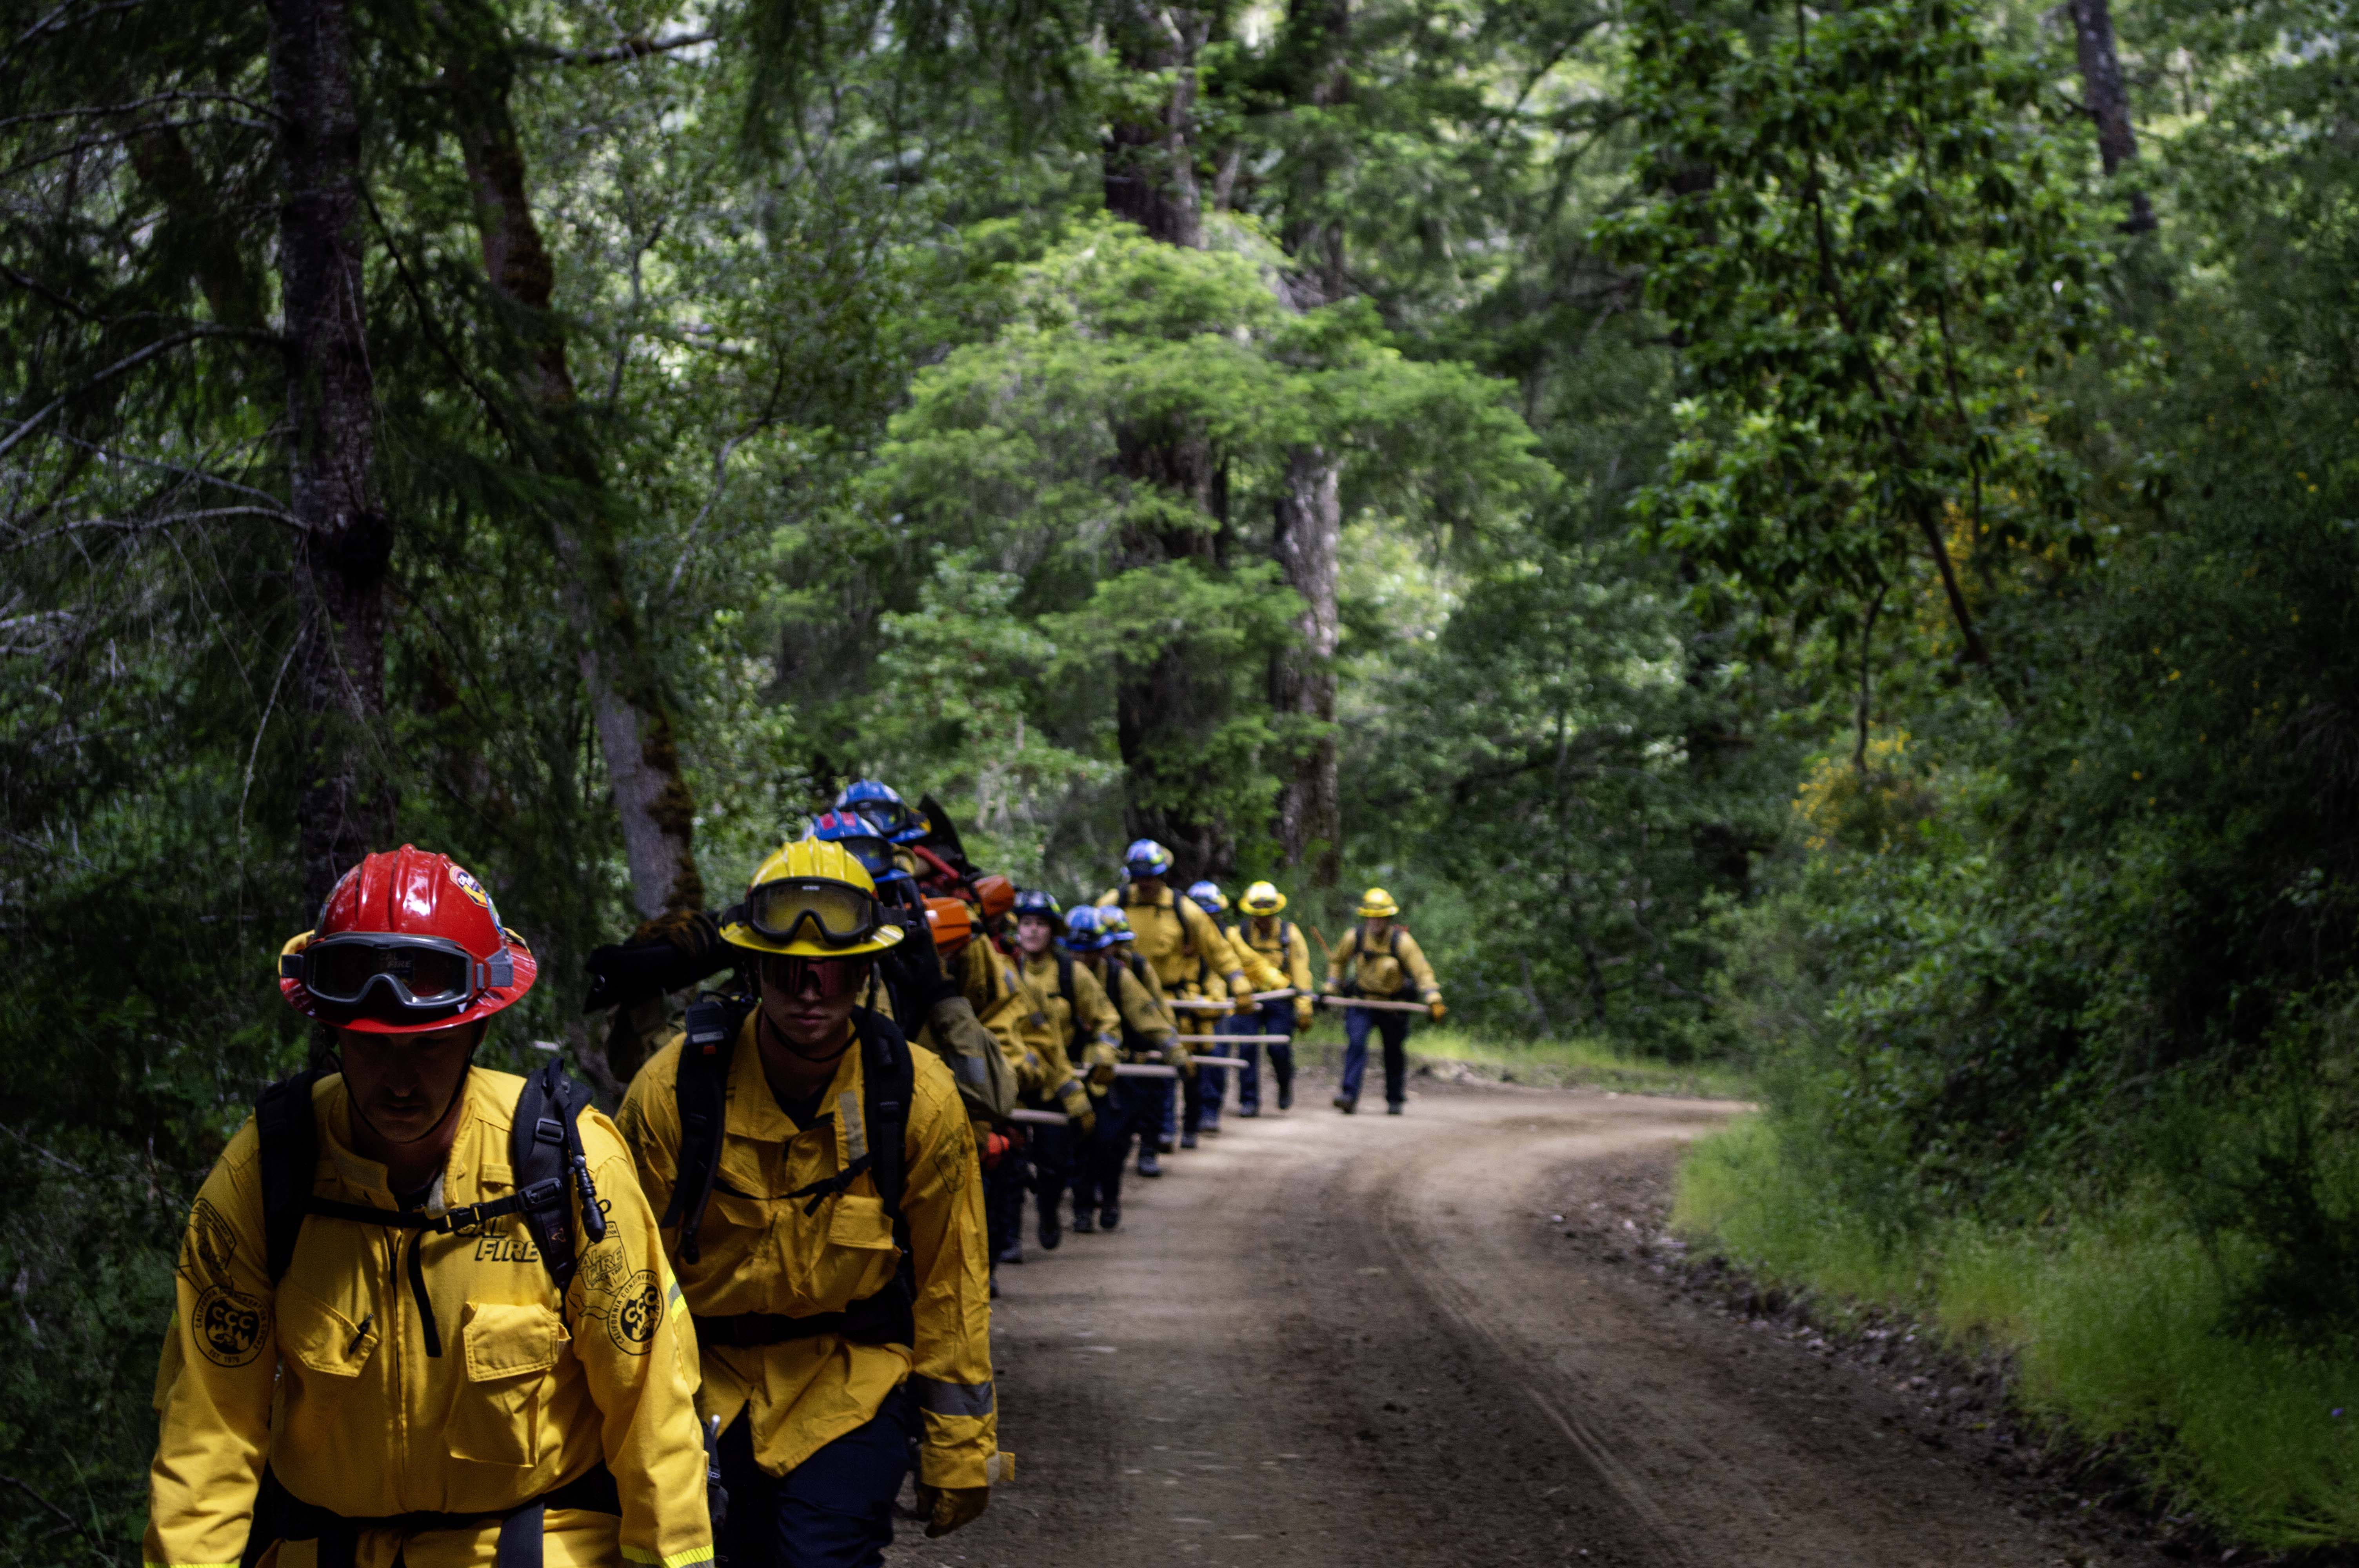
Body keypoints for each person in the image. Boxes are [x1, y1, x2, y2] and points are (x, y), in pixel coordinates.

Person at [145, 846, 712, 1568]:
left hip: (533, 1549)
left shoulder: (565, 1166)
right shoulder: (267, 1172)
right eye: (372, 1048)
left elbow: (652, 1410)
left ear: (477, 1030)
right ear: (333, 1032)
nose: (399, 1079)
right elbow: (209, 1430)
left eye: (429, 1046)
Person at [618, 840, 1001, 1566]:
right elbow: (618, 1285)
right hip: (702, 1390)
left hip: (848, 1385)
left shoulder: (915, 1097)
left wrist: (959, 1449)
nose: (810, 991)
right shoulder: (673, 1092)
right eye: (788, 970)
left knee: (822, 1555)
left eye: (832, 971)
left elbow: (955, 1285)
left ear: (864, 971)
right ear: (755, 967)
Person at [1064, 907, 1181, 1229]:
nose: (1081, 958)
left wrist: (1175, 1052)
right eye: (1075, 951)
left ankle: (1111, 1197)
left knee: (1111, 1142)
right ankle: (1083, 1208)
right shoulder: (1055, 976)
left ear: (1102, 950)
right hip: (1070, 1072)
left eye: (1088, 951)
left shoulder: (1122, 976)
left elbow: (1150, 1017)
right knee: (1077, 1143)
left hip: (1118, 1072)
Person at [1008, 891, 1108, 1248]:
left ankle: (1049, 1212)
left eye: (1040, 924)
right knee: (1008, 1163)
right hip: (1014, 1084)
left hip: (1058, 1083)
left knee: (1053, 1163)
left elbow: (1106, 1021)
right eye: (1026, 923)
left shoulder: (1073, 974)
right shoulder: (1002, 971)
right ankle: (1010, 1240)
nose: (1032, 932)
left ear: (1053, 932)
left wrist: (1103, 1056)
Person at [1323, 887, 1445, 1116]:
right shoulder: (1354, 937)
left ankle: (1395, 1098)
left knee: (1394, 1050)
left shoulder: (1403, 942)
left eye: (1380, 918)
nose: (1375, 923)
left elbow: (1422, 971)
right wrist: (1331, 986)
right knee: (1356, 1044)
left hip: (1394, 1006)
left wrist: (1433, 997)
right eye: (1371, 918)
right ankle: (1349, 1096)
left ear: (1389, 918)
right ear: (1366, 917)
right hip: (1362, 1003)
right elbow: (1337, 962)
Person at [1226, 880, 1316, 1114]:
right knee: (1247, 1047)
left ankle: (1285, 1083)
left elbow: (1301, 972)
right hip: (1251, 998)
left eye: (1269, 915)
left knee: (1278, 1047)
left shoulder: (1290, 935)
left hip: (1281, 998)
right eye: (1259, 915)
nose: (1264, 920)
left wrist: (1304, 1008)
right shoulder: (1240, 935)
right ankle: (1249, 1101)